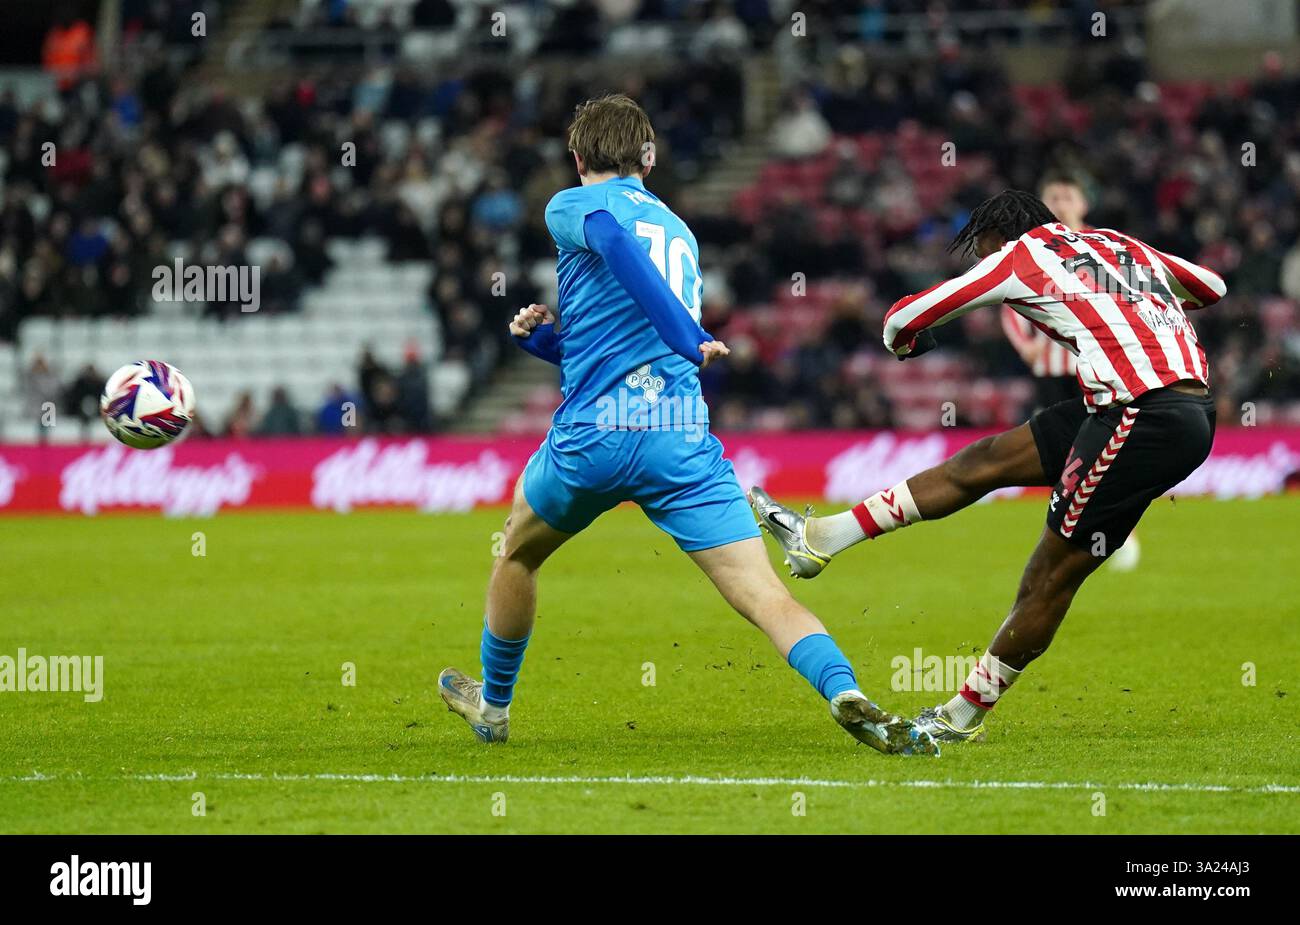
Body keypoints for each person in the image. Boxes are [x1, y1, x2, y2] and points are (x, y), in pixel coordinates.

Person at [438, 94, 936, 756]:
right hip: (677, 436)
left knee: (517, 553)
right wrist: (550, 344)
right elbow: (621, 336)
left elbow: (613, 241)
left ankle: (493, 707)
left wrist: (685, 334)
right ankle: (844, 688)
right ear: (648, 159)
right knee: (763, 593)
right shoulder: (679, 230)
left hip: (596, 433)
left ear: (578, 157)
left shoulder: (571, 205)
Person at [751, 189, 1223, 744]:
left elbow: (902, 318)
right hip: (1171, 406)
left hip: (1141, 413)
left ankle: (961, 716)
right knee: (987, 460)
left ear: (997, 239)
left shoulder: (1019, 256)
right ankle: (819, 539)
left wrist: (908, 347)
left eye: (981, 252)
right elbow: (1210, 287)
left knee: (1050, 575)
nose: (982, 263)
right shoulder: (1119, 244)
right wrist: (1139, 302)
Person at [1001, 172, 1141, 571]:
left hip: (1097, 367)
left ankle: (1118, 527)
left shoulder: (1103, 244)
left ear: (1083, 203)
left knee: (1102, 446)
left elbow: (1127, 296)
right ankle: (1073, 527)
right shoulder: (1033, 247)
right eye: (1053, 196)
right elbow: (1008, 300)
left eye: (1067, 196)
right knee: (1062, 451)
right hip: (1051, 370)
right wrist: (1025, 346)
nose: (1060, 203)